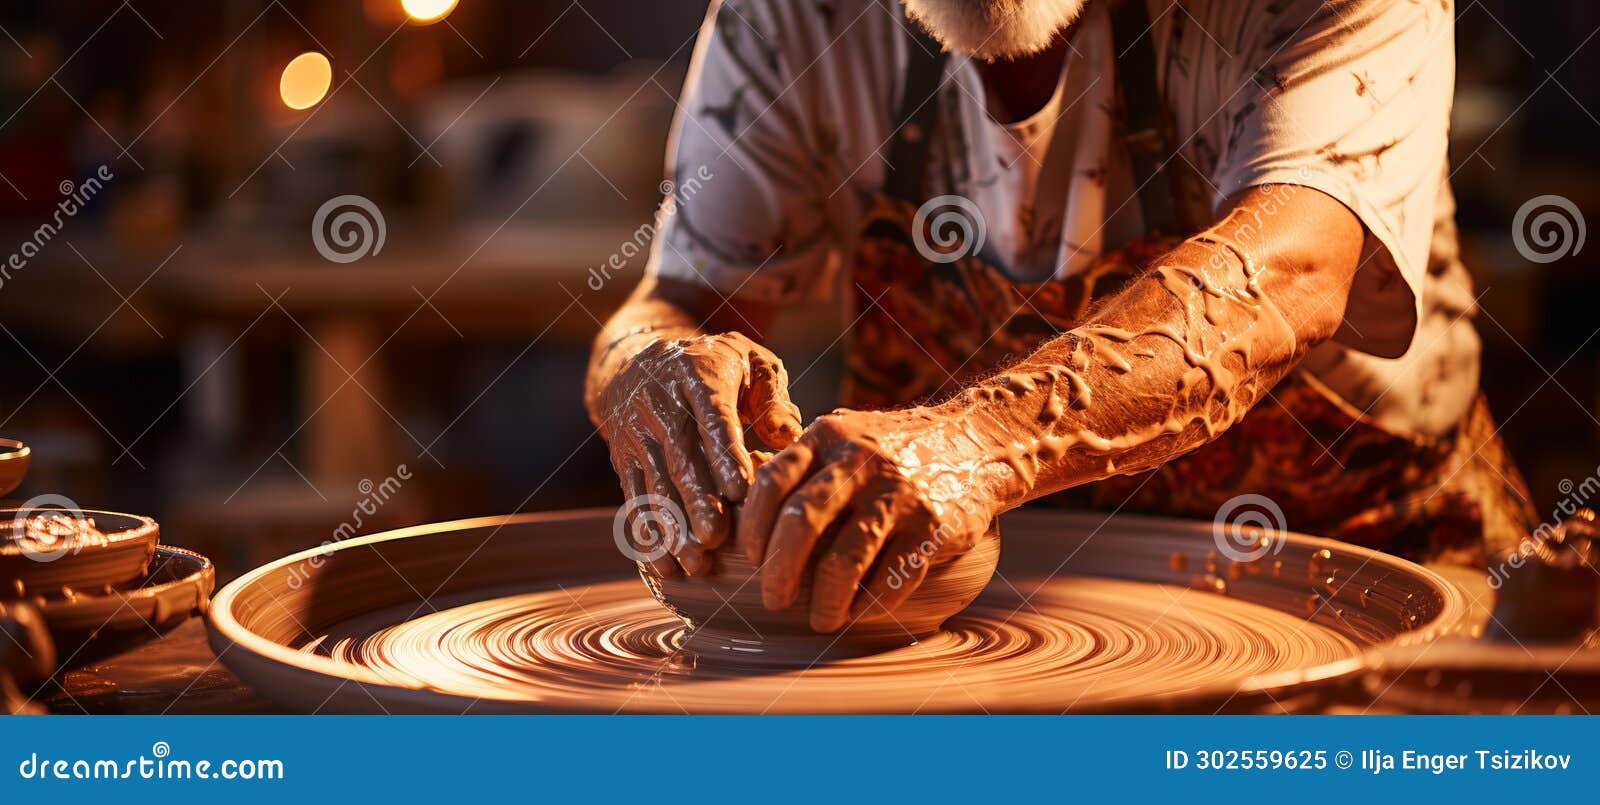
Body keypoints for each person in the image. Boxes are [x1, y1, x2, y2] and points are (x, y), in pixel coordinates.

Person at [584, 0, 1536, 633]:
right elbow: (678, 300)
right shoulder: (793, 15)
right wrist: (644, 366)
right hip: (996, 625)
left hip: (1365, 581)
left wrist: (975, 442)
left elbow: (1296, 271)